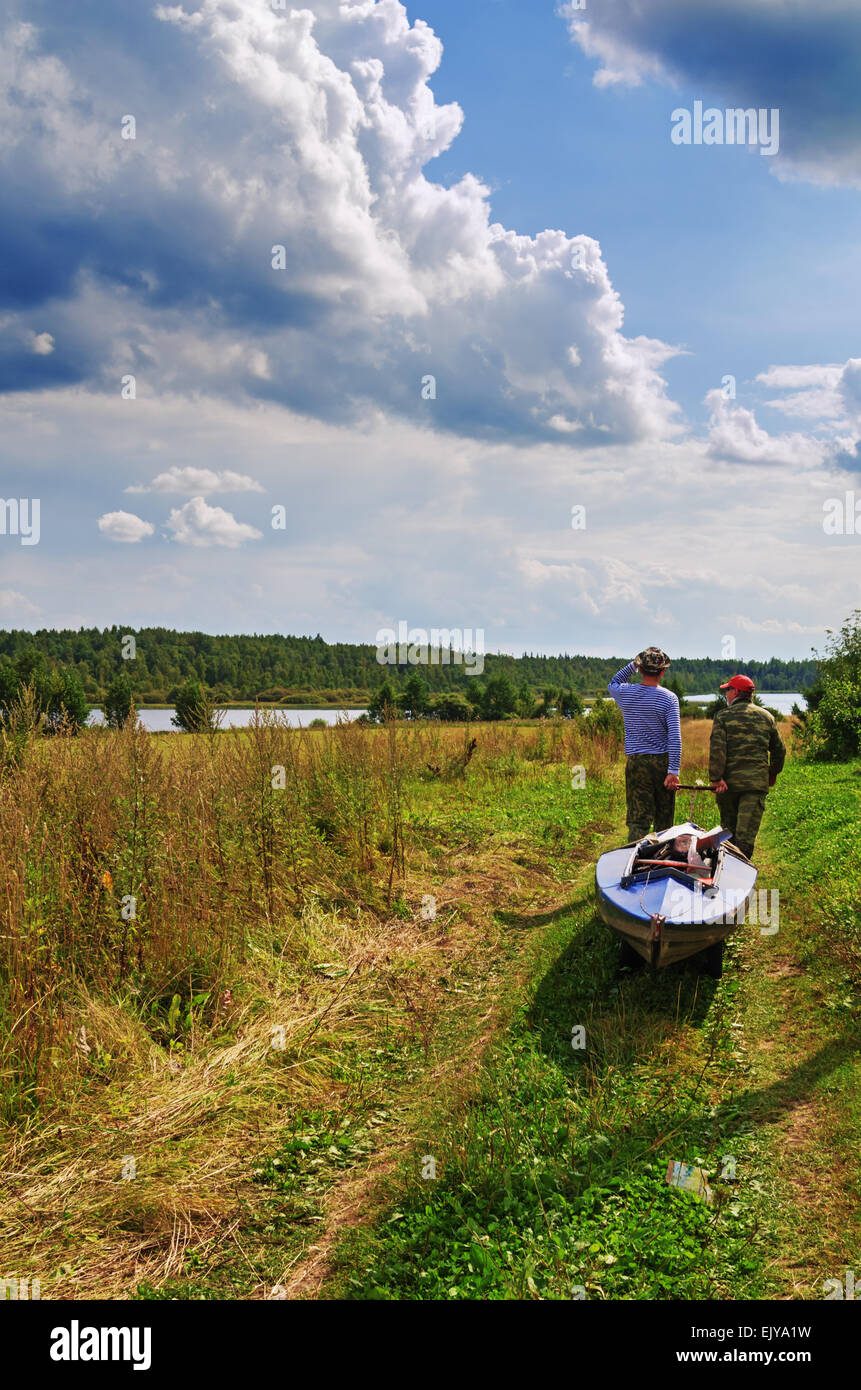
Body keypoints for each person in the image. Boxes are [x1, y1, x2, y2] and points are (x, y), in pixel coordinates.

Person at [708, 674, 786, 860]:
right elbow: (779, 750)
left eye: (727, 690)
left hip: (728, 786)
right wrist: (772, 773)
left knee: (728, 833)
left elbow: (717, 750)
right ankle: (739, 876)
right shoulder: (767, 717)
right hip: (755, 785)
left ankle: (726, 874)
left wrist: (716, 778)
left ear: (735, 692)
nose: (726, 694)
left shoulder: (723, 716)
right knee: (745, 838)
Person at [608, 647, 681, 843]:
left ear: (640, 669)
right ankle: (662, 861)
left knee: (638, 820)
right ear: (663, 672)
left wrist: (633, 664)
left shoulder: (626, 693)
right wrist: (673, 770)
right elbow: (674, 736)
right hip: (663, 763)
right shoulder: (669, 698)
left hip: (637, 763)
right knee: (664, 820)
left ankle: (634, 863)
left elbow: (613, 682)